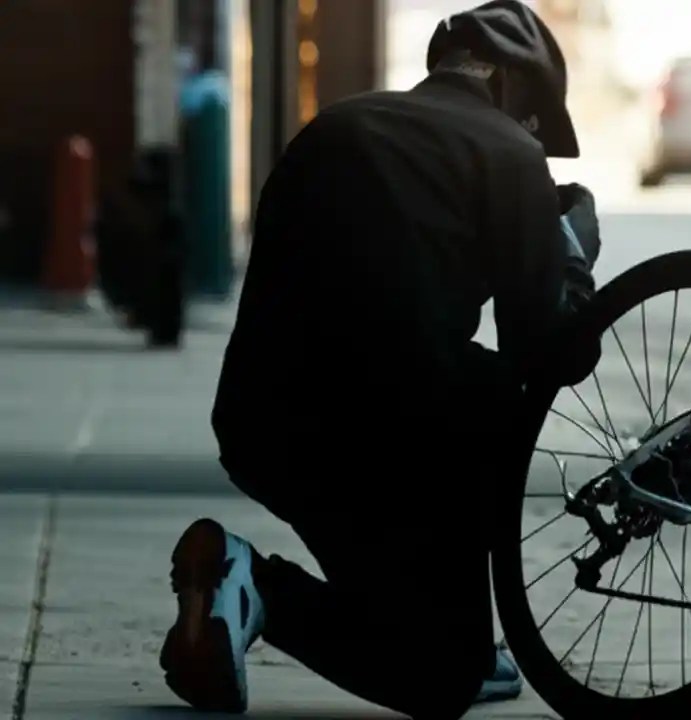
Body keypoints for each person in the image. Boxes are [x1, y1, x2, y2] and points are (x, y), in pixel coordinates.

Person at [157, 2, 602, 717]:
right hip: (387, 438)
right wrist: (572, 253)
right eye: (536, 125)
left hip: (260, 430)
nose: (532, 142)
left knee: (396, 596)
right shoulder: (508, 154)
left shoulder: (339, 122)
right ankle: (260, 587)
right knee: (438, 674)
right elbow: (549, 354)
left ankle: (247, 601)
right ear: (515, 87)